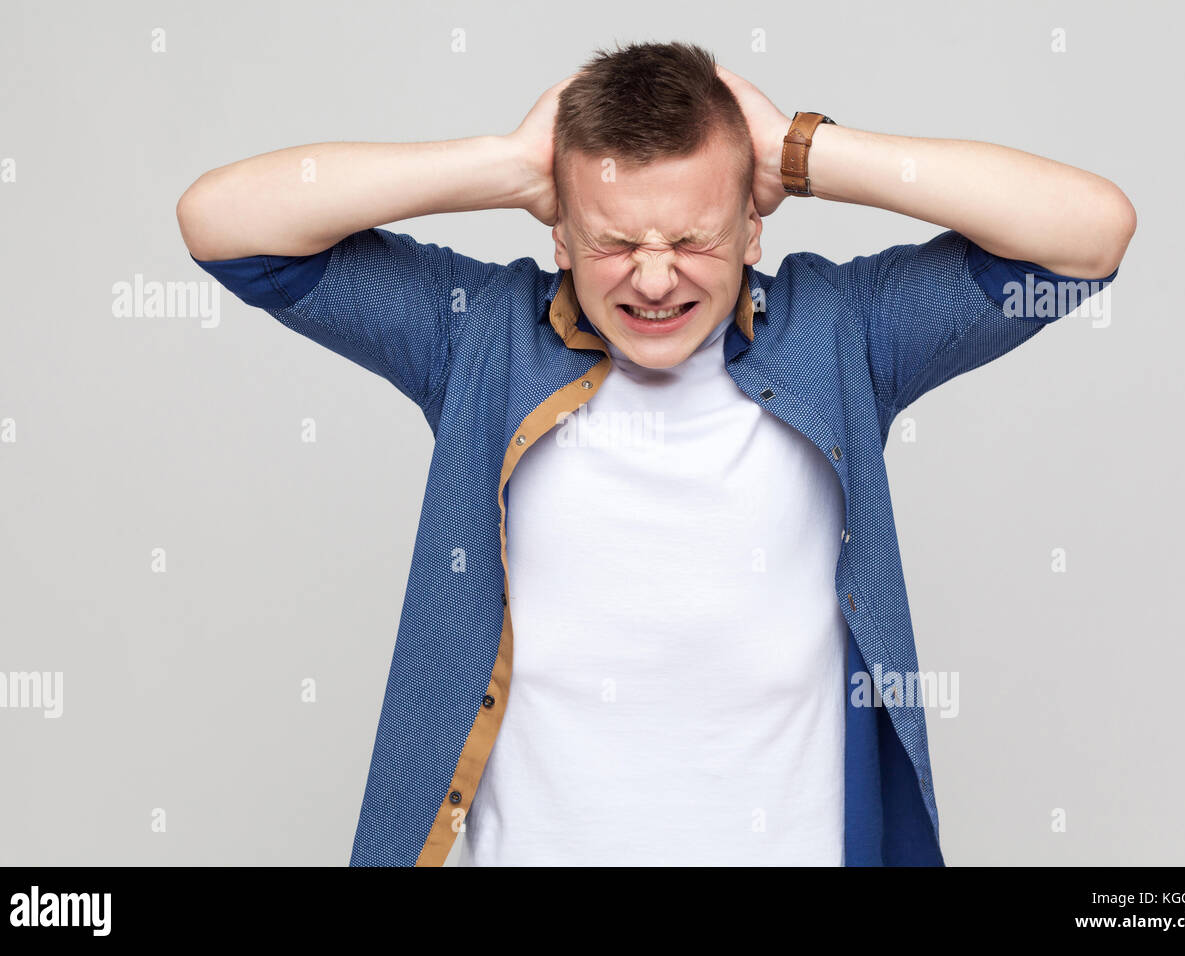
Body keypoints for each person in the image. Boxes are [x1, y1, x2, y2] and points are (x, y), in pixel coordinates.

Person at [176, 40, 1135, 866]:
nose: (654, 276)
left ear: (756, 224)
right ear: (557, 229)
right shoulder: (479, 338)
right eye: (614, 241)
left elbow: (1089, 236)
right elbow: (224, 223)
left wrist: (804, 151)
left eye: (693, 237)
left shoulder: (844, 336)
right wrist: (509, 162)